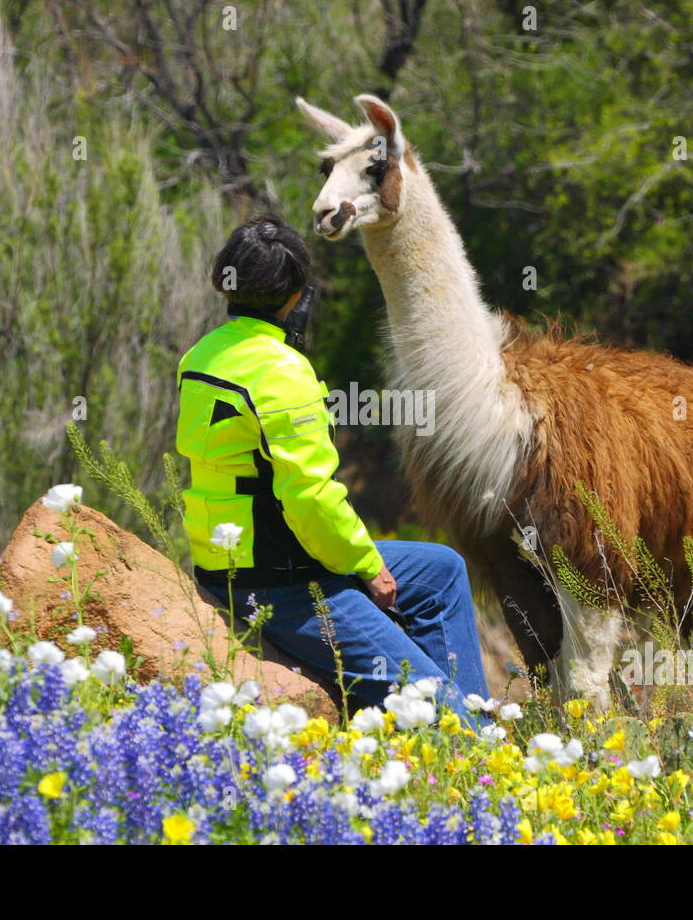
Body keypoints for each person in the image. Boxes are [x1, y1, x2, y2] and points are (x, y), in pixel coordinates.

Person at [174, 214, 489, 723]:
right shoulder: (283, 373)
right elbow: (309, 498)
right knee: (436, 708)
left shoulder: (199, 355)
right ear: (297, 295)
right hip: (288, 582)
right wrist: (366, 566)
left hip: (226, 565)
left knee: (441, 570)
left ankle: (473, 710)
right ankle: (470, 733)